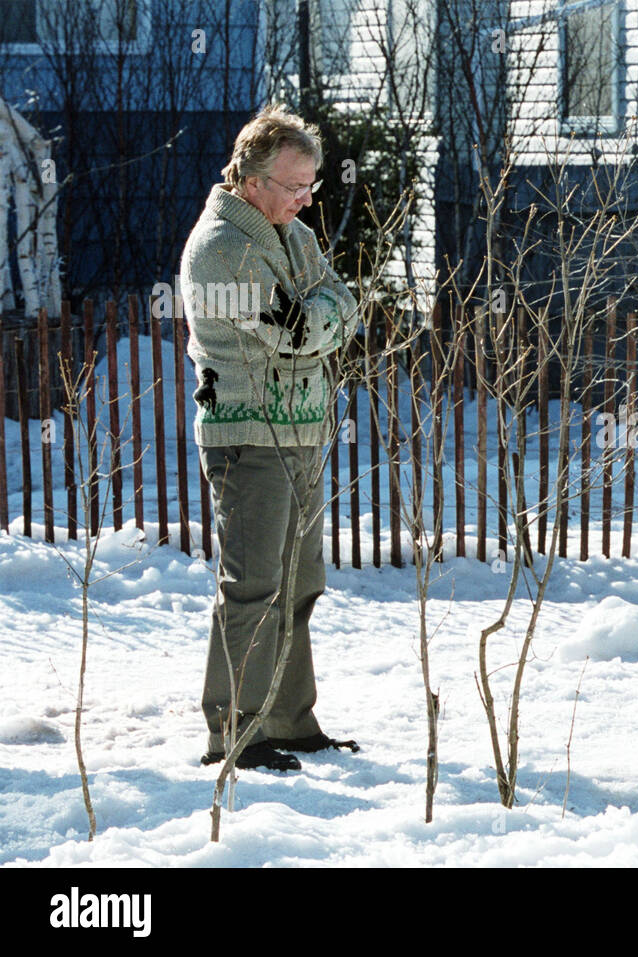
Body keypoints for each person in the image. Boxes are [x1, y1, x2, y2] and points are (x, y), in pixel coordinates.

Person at [181, 105, 361, 772]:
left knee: (299, 582)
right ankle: (234, 731)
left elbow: (345, 302)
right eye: (295, 186)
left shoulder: (295, 235)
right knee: (255, 586)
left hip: (300, 431)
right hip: (247, 435)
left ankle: (288, 717)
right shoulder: (222, 248)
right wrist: (324, 316)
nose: (307, 198)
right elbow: (292, 333)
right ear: (253, 180)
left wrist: (325, 313)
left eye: (312, 183)